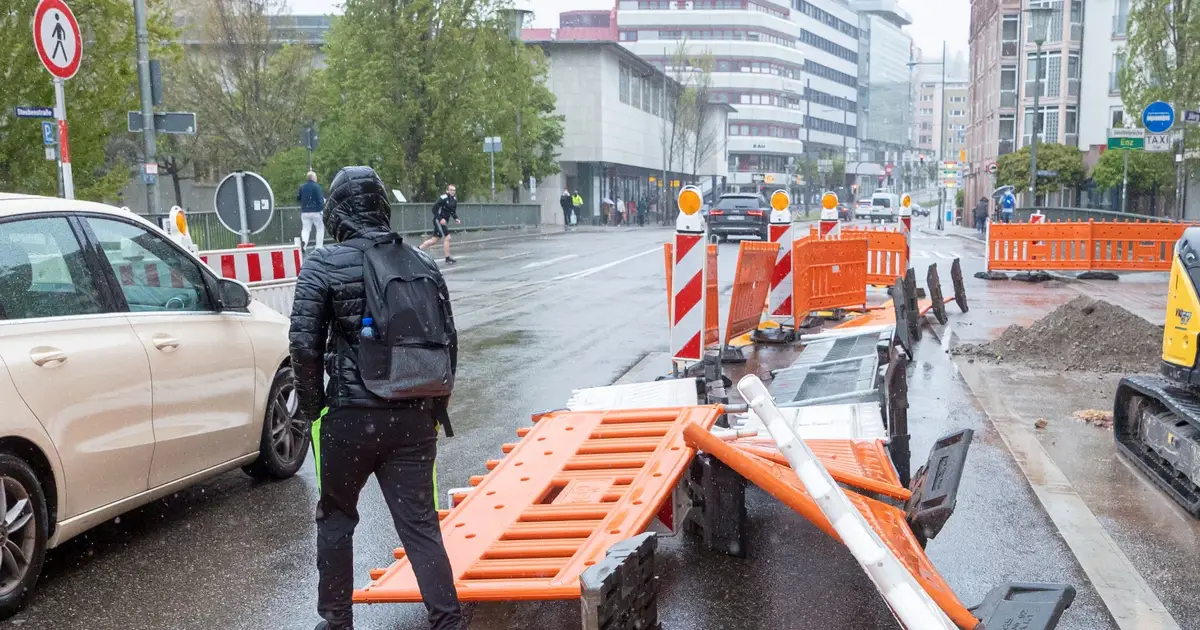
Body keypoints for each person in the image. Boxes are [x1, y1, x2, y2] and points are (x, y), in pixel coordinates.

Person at [290, 166, 463, 630]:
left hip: (348, 418)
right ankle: (448, 621)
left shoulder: (323, 264)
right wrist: (432, 409)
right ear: (382, 208)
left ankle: (337, 622)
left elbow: (304, 347)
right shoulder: (422, 263)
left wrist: (314, 412)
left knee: (336, 519)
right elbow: (448, 342)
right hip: (413, 418)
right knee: (420, 526)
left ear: (336, 212)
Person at [419, 184, 462, 264]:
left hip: (444, 221)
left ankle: (418, 249)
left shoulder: (454, 200)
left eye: (454, 190)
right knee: (447, 237)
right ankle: (447, 258)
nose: (452, 191)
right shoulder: (443, 198)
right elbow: (434, 209)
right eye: (451, 190)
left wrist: (456, 218)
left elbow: (452, 212)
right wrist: (440, 218)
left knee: (434, 240)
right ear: (447, 191)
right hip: (438, 220)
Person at [298, 171, 326, 249]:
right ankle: (319, 247)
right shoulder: (317, 187)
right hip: (316, 211)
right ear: (313, 178)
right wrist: (321, 208)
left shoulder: (302, 187)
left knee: (305, 229)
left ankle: (304, 244)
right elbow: (320, 200)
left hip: (305, 212)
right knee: (320, 229)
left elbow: (298, 198)